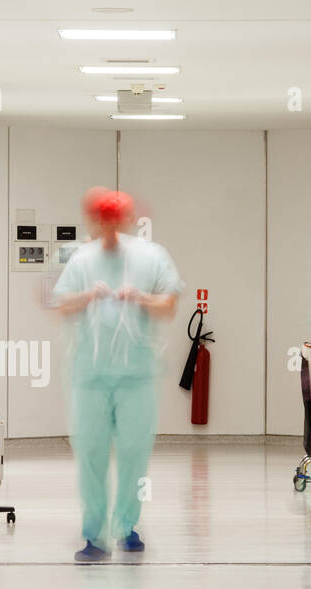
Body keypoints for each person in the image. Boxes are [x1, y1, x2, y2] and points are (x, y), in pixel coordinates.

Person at [52, 188, 181, 562]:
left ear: (125, 220)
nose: (107, 226)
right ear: (92, 220)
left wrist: (141, 298)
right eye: (100, 219)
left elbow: (169, 303)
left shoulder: (150, 256)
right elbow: (62, 305)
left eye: (114, 219)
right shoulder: (81, 260)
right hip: (90, 374)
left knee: (133, 453)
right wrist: (86, 296)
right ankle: (94, 534)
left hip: (136, 373)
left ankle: (126, 526)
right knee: (90, 452)